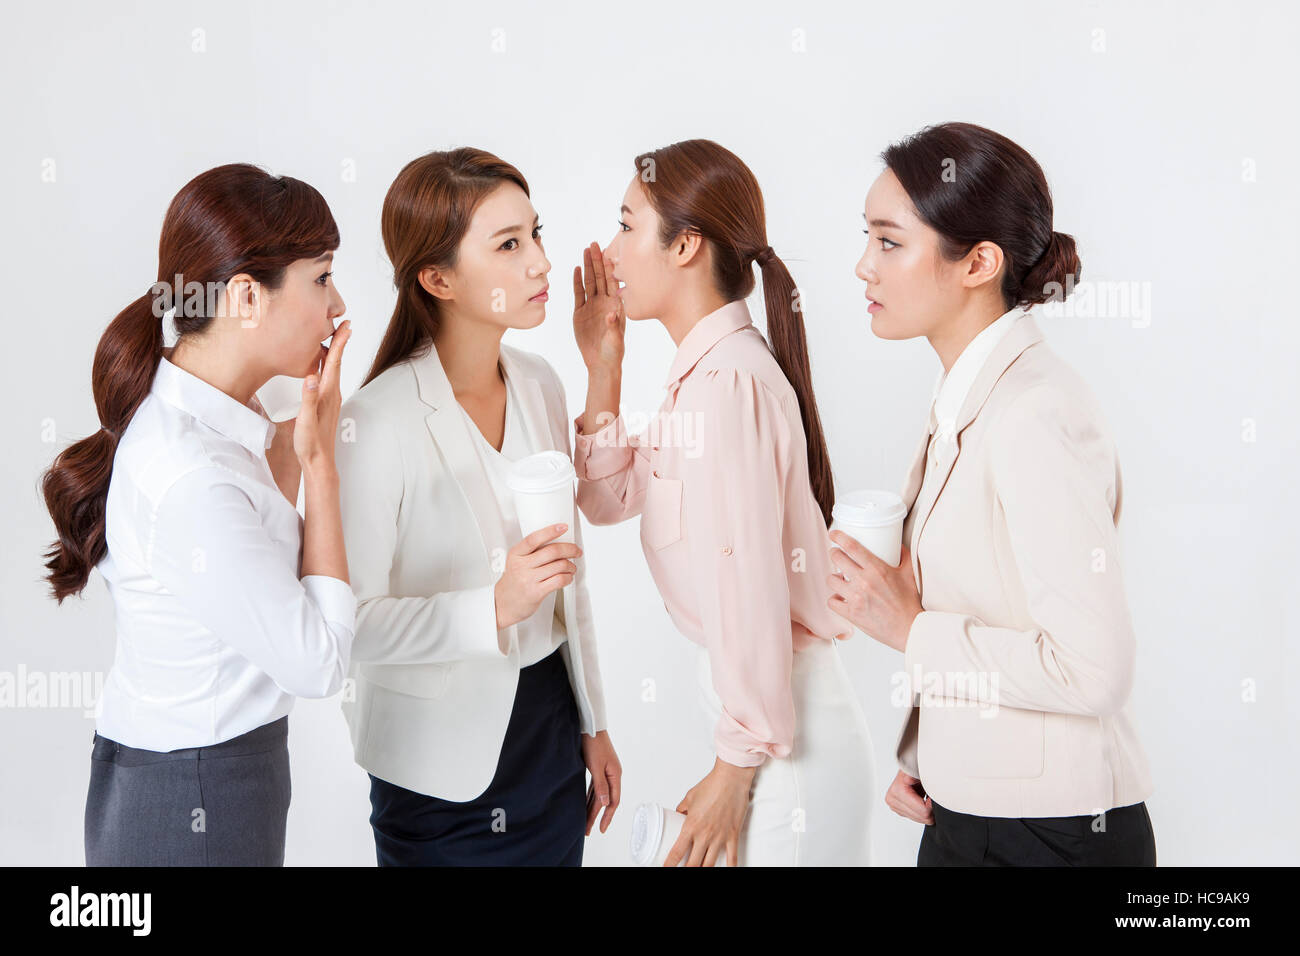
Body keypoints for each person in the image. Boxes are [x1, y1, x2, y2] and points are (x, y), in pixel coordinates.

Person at [830, 122, 1156, 866]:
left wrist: (907, 627)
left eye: (888, 242)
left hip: (1051, 837)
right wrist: (934, 751)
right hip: (968, 811)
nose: (862, 266)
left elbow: (1094, 669)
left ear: (978, 262)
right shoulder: (968, 394)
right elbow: (984, 603)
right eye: (868, 238)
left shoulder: (1034, 412)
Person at [40, 163, 355, 866]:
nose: (338, 306)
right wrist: (322, 464)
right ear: (246, 296)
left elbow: (260, 539)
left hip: (204, 777)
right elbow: (320, 662)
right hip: (195, 794)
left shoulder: (218, 422)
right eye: (322, 277)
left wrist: (297, 442)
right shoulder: (191, 476)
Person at [572, 139, 874, 867]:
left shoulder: (726, 386)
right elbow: (609, 500)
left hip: (781, 748)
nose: (609, 252)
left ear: (685, 246)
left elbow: (748, 587)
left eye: (626, 224)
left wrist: (735, 769)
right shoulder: (699, 381)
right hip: (763, 731)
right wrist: (603, 370)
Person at [335, 148, 620, 866]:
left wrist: (594, 722)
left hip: (549, 736)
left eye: (536, 234)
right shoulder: (374, 422)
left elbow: (569, 577)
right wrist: (491, 605)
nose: (542, 264)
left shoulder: (541, 384)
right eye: (509, 245)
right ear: (438, 279)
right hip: (438, 777)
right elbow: (350, 628)